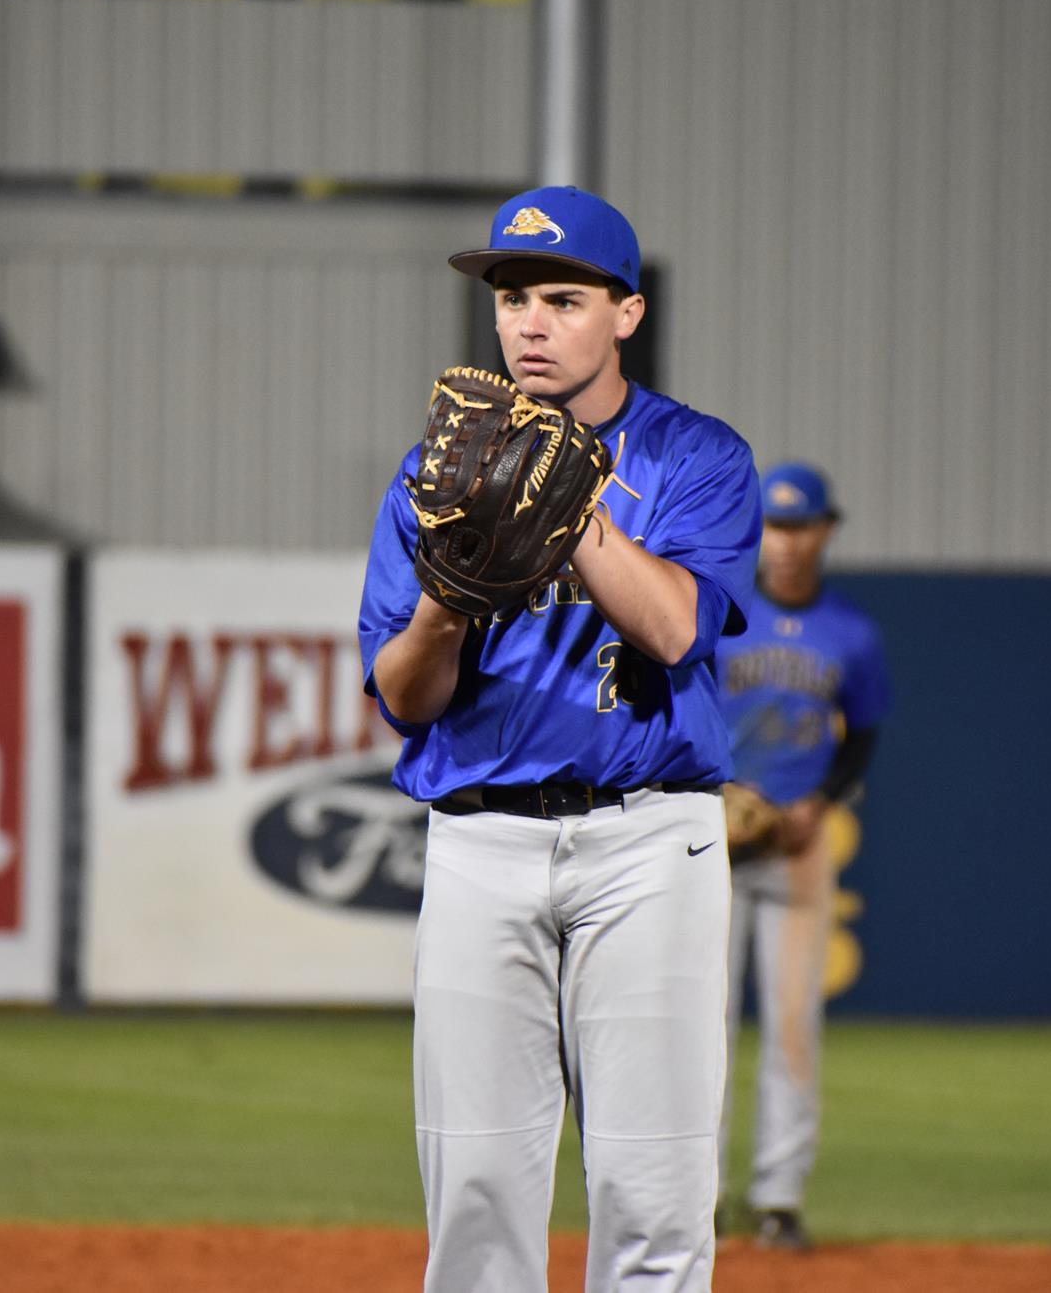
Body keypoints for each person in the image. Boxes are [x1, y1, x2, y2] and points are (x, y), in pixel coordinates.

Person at [358, 185, 763, 1293]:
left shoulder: (696, 458)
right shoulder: (434, 474)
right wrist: (443, 600)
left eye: (561, 297)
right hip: (480, 844)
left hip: (648, 849)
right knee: (475, 1192)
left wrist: (567, 504)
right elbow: (401, 692)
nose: (528, 323)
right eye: (512, 298)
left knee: (651, 1188)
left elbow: (675, 625)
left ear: (624, 313)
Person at [714, 462, 891, 1251]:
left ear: (825, 530)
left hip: (798, 852)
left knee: (792, 1028)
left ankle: (779, 1198)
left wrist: (823, 797)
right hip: (709, 850)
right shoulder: (716, 613)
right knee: (696, 1032)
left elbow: (867, 736)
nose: (788, 541)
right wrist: (714, 793)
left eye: (801, 525)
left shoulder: (852, 635)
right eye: (776, 526)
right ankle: (696, 1192)